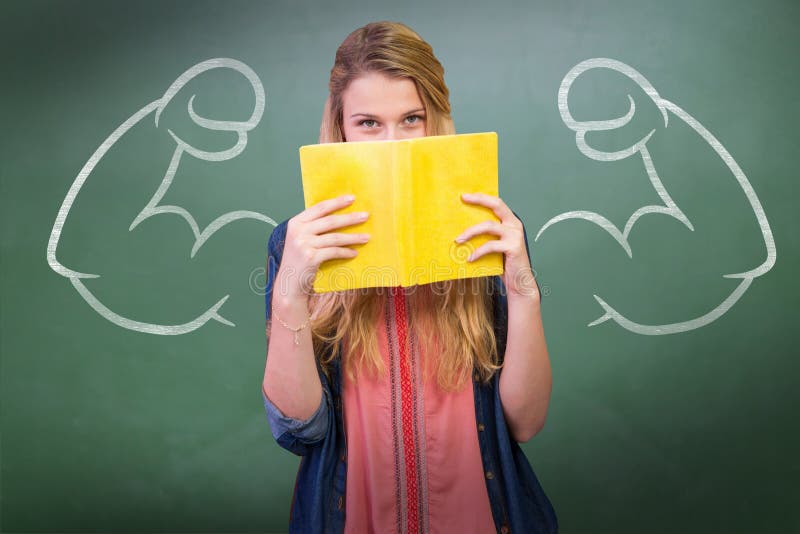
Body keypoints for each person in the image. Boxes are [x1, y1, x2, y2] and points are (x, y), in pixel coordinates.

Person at [261, 20, 557, 534]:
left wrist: (523, 293)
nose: (391, 144)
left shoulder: (490, 234)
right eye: (369, 123)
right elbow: (302, 430)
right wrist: (291, 292)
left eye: (411, 119)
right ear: (341, 128)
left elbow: (525, 424)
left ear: (436, 121)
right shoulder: (296, 244)